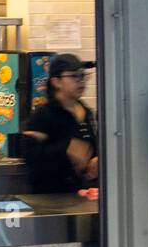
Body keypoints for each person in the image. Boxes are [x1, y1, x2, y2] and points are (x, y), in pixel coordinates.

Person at [23, 53, 98, 192]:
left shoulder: (86, 112)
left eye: (83, 76)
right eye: (74, 76)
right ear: (56, 82)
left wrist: (96, 161)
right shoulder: (43, 115)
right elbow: (31, 159)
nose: (81, 81)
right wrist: (65, 149)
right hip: (52, 198)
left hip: (82, 195)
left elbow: (92, 149)